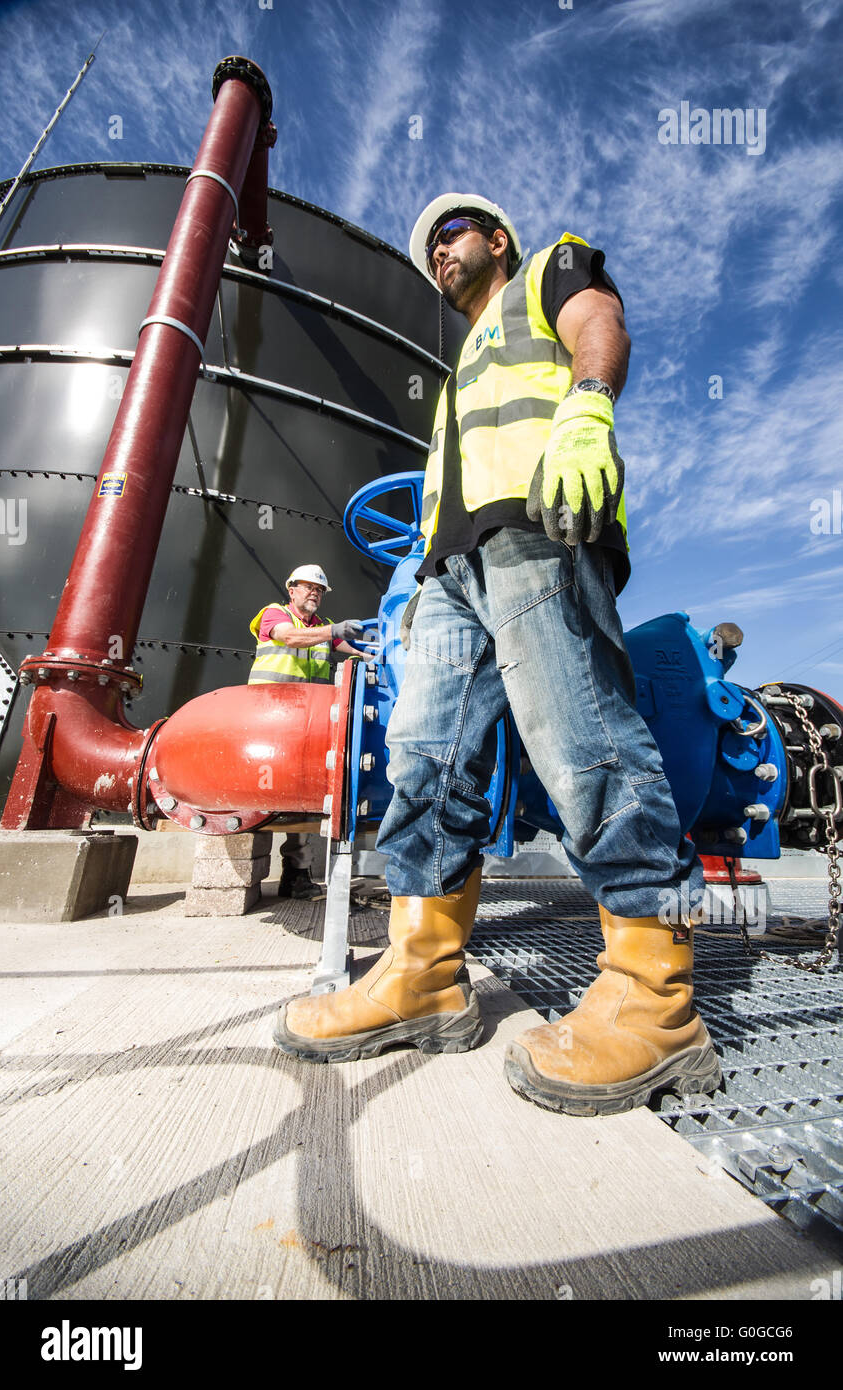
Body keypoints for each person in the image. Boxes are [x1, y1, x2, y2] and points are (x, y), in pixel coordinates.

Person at [273, 196, 722, 1118]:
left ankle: (655, 997)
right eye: (429, 244)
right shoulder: (455, 372)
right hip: (449, 572)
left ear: (497, 239)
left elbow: (599, 320)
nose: (439, 250)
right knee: (424, 764)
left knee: (582, 737)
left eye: (453, 232)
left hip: (539, 527)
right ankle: (425, 975)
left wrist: (589, 406)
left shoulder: (549, 272)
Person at [249, 564, 367, 899]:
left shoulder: (324, 627)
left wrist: (373, 648)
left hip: (305, 722)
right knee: (263, 791)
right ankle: (250, 848)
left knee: (304, 795)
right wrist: (334, 634)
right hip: (268, 718)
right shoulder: (275, 614)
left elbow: (351, 645)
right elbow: (290, 637)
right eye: (307, 587)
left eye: (318, 589)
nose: (313, 592)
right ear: (292, 590)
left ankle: (296, 876)